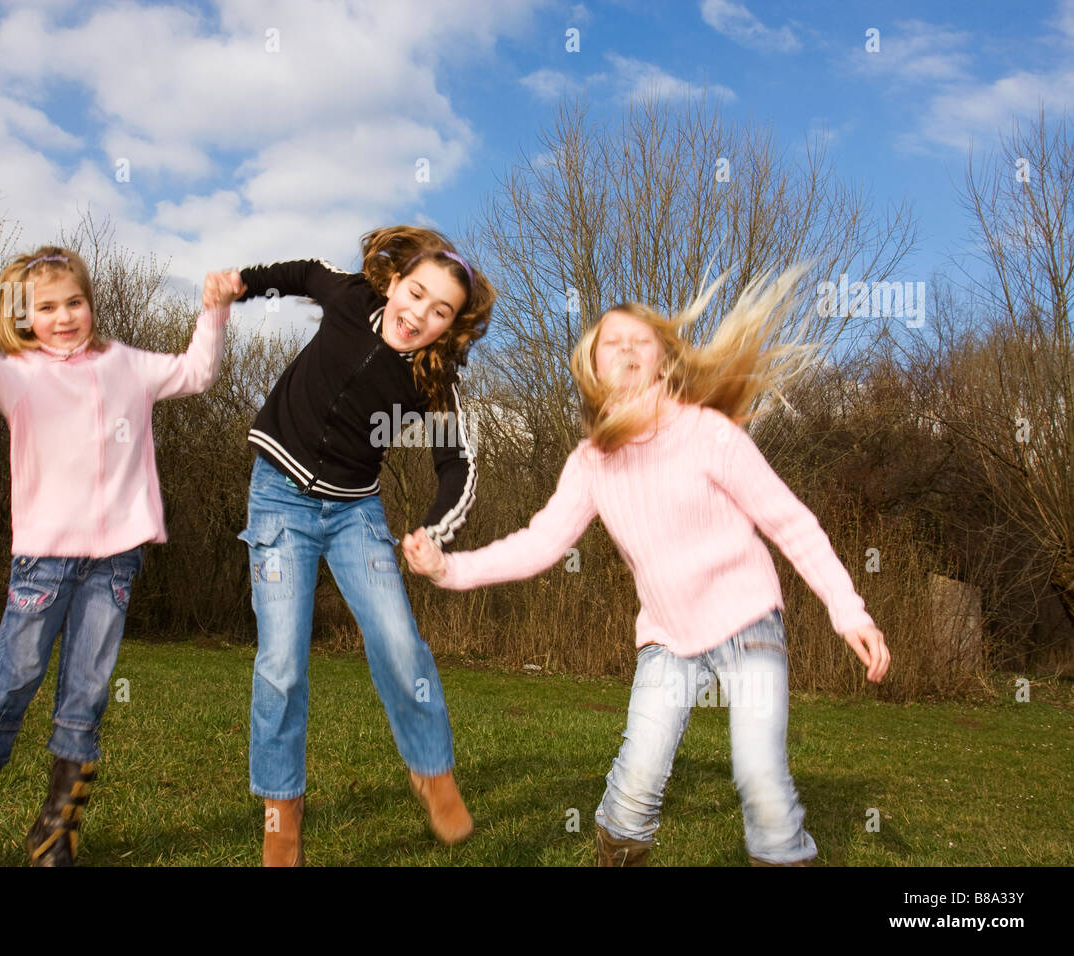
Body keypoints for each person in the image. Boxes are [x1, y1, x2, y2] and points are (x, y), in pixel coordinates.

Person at [404, 266, 891, 866]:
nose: (629, 349)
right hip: (667, 638)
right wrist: (449, 569)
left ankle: (784, 855)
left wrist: (850, 611)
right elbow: (540, 544)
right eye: (614, 342)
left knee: (761, 776)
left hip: (750, 625)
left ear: (663, 360)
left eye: (642, 341)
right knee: (635, 786)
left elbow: (791, 522)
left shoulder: (709, 435)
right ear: (594, 366)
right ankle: (618, 851)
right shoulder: (592, 463)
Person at [0, 227, 236, 865]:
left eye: (74, 303)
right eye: (47, 307)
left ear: (91, 303)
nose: (63, 317)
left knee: (86, 691)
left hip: (115, 562)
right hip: (44, 562)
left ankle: (55, 831)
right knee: (13, 681)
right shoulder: (15, 378)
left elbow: (197, 373)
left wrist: (214, 309)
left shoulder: (127, 366)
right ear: (24, 319)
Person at [236, 226, 494, 865]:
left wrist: (431, 531)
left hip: (355, 513)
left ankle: (431, 771)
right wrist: (242, 284)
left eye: (441, 311)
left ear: (452, 327)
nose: (419, 315)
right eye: (416, 293)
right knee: (281, 665)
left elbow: (457, 464)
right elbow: (299, 271)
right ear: (396, 280)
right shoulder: (350, 297)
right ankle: (281, 815)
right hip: (278, 499)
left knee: (400, 641)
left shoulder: (436, 379)